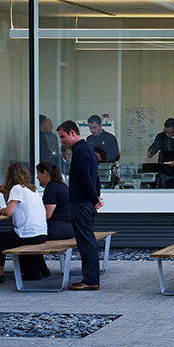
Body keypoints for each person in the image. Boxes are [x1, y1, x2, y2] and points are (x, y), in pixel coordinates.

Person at [58, 120, 104, 291]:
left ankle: (90, 280)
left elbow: (85, 178)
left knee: (86, 242)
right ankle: (91, 278)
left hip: (81, 203)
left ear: (72, 132)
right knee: (88, 240)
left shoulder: (79, 152)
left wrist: (93, 199)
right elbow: (95, 178)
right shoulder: (89, 151)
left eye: (63, 136)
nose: (62, 140)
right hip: (86, 202)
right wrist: (96, 197)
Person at [0, 160, 50, 282]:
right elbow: (14, 204)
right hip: (41, 233)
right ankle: (39, 270)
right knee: (3, 239)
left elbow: (8, 211)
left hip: (28, 234)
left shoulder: (16, 188)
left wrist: (0, 210)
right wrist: (5, 193)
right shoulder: (31, 190)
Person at [38, 160, 72, 239]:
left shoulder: (51, 188)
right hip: (70, 228)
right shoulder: (62, 185)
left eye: (38, 174)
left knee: (28, 233)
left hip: (58, 229)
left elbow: (47, 215)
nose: (37, 177)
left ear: (45, 173)